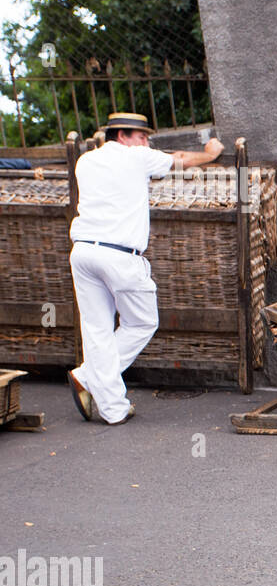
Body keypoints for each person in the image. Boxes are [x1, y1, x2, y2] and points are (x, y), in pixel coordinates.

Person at [66, 112, 225, 425]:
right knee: (142, 322)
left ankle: (113, 408)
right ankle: (87, 376)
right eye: (142, 136)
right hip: (119, 255)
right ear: (123, 136)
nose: (147, 142)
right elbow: (179, 158)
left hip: (83, 250)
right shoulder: (136, 157)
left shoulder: (84, 161)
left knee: (96, 330)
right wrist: (210, 153)